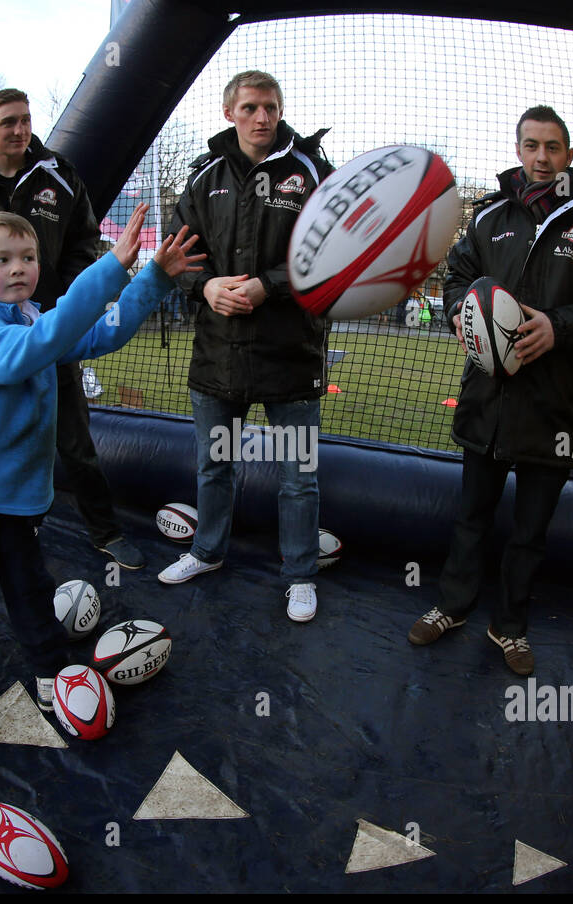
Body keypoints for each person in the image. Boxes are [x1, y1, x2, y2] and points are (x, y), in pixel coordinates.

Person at [408, 105, 573, 675]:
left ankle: (509, 626)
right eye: (532, 145)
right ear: (518, 150)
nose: (541, 157)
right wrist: (470, 317)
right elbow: (457, 284)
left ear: (569, 154)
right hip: (488, 400)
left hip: (554, 408)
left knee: (531, 532)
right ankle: (453, 605)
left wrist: (557, 327)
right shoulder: (489, 220)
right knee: (471, 517)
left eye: (553, 147)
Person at [0, 207, 203, 661]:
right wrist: (112, 266)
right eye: (2, 260)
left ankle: (50, 673)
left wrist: (153, 278)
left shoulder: (32, 316)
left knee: (31, 590)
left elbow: (100, 335)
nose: (18, 267)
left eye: (28, 257)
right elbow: (43, 344)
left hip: (19, 499)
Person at [0, 87, 148, 570]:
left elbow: (85, 246)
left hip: (48, 329)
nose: (20, 130)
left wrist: (58, 311)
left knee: (75, 441)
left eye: (25, 120)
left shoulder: (60, 177)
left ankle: (105, 531)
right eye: (8, 122)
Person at [157, 70, 333, 623]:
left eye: (272, 108)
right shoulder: (204, 175)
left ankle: (300, 574)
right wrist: (204, 286)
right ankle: (206, 552)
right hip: (218, 354)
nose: (263, 117)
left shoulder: (312, 174)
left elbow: (332, 257)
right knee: (214, 466)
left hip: (290, 351)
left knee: (297, 476)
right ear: (230, 111)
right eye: (252, 107)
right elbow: (176, 254)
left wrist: (269, 286)